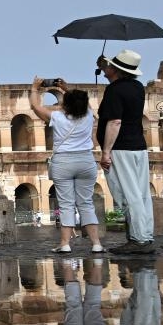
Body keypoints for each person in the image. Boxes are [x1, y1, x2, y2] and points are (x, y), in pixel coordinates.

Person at [29, 77, 104, 254]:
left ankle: (65, 243)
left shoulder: (57, 117)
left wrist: (34, 89)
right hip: (86, 160)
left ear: (66, 104)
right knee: (86, 203)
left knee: (66, 205)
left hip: (63, 161)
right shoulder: (87, 114)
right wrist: (66, 88)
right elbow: (80, 103)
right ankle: (96, 244)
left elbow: (35, 107)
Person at [96, 49, 154, 254]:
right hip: (139, 146)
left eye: (110, 66)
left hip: (121, 147)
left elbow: (114, 121)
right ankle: (145, 236)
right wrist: (102, 66)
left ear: (116, 70)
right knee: (142, 194)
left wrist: (105, 152)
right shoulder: (138, 87)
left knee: (130, 195)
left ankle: (138, 240)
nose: (107, 68)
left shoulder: (114, 91)